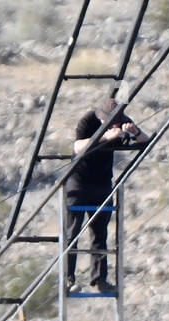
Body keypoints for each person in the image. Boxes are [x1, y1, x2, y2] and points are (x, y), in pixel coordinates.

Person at [65, 96, 143, 293]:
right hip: (79, 183)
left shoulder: (123, 122)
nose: (117, 123)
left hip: (102, 184)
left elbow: (145, 142)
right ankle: (69, 278)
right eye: (113, 121)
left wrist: (135, 132)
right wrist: (105, 136)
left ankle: (99, 279)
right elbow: (77, 147)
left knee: (100, 234)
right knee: (72, 232)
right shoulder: (88, 121)